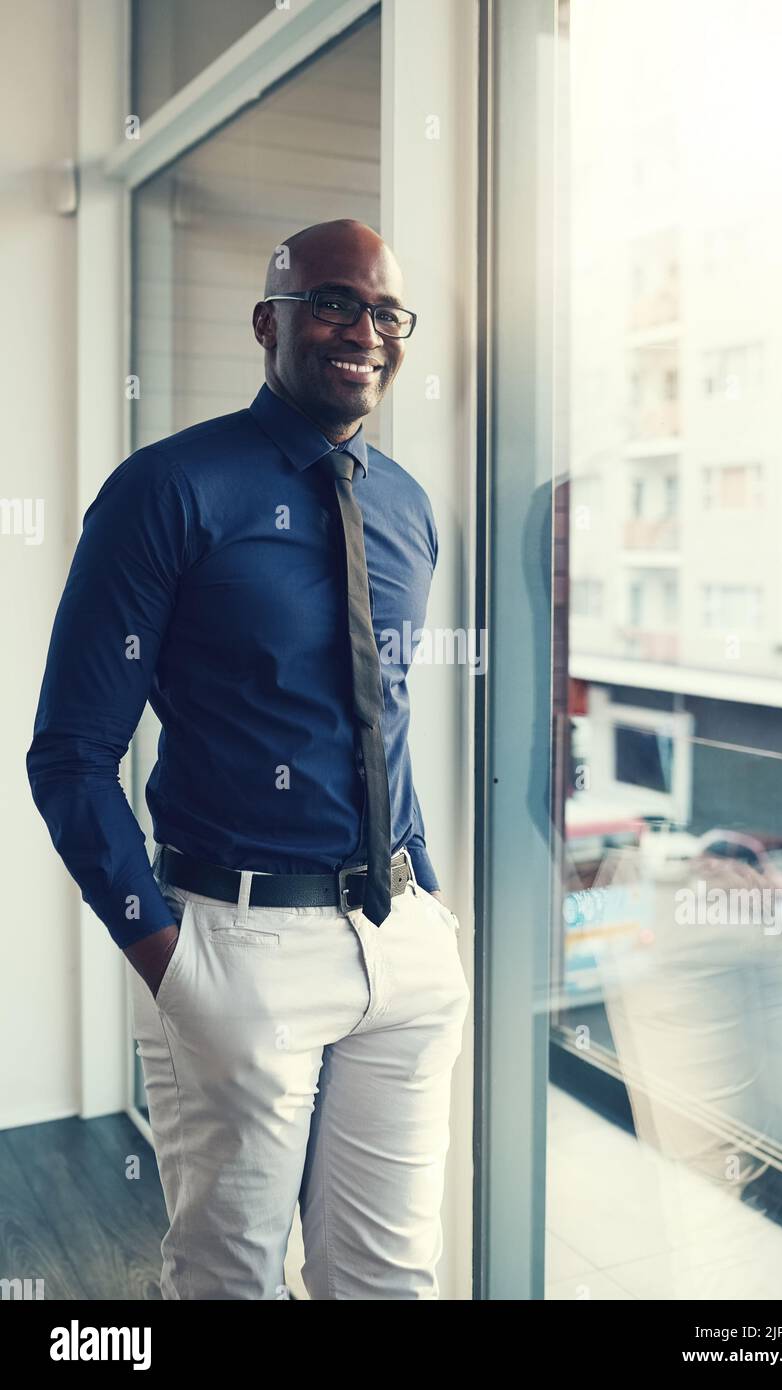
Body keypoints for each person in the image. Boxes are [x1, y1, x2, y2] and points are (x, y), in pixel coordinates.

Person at [26, 218, 470, 1300]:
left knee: (391, 1281)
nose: (362, 329)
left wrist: (425, 898)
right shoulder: (168, 489)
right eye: (332, 301)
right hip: (238, 946)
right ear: (269, 320)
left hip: (401, 949)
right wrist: (171, 959)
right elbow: (72, 755)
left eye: (385, 312)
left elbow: (383, 717)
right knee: (230, 1282)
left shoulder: (409, 508)